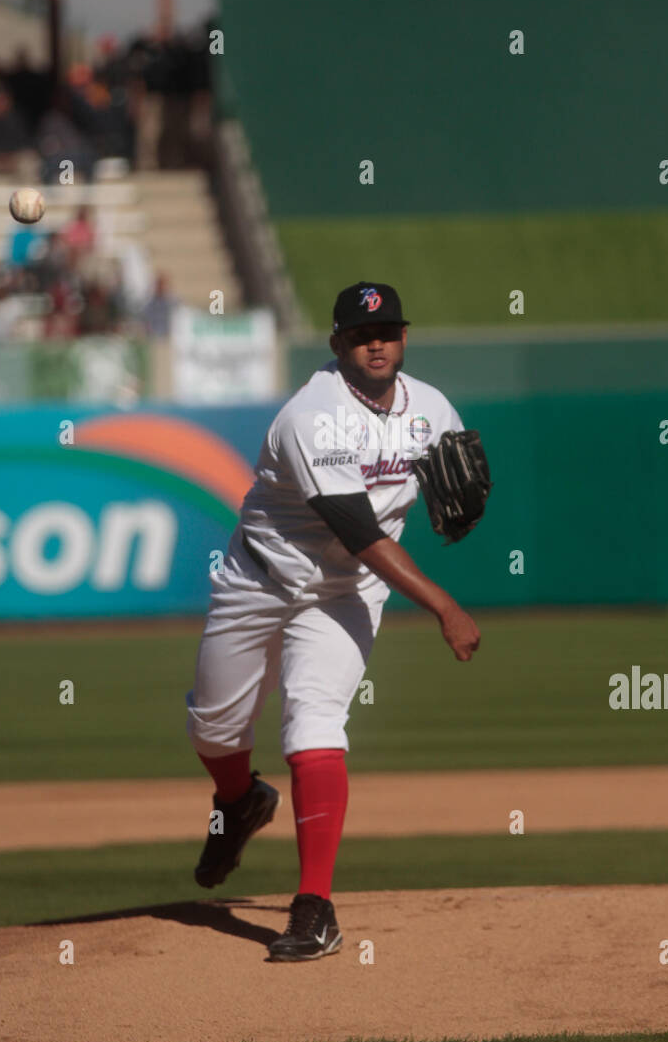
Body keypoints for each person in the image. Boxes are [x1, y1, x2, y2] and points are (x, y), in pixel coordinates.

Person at [186, 282, 481, 962]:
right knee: (213, 726)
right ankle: (239, 800)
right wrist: (444, 604)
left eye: (388, 331)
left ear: (404, 338)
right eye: (360, 334)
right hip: (260, 576)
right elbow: (353, 526)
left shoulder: (432, 410)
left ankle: (314, 907)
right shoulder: (311, 414)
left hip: (347, 593)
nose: (376, 343)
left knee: (315, 720)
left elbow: (454, 492)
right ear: (337, 344)